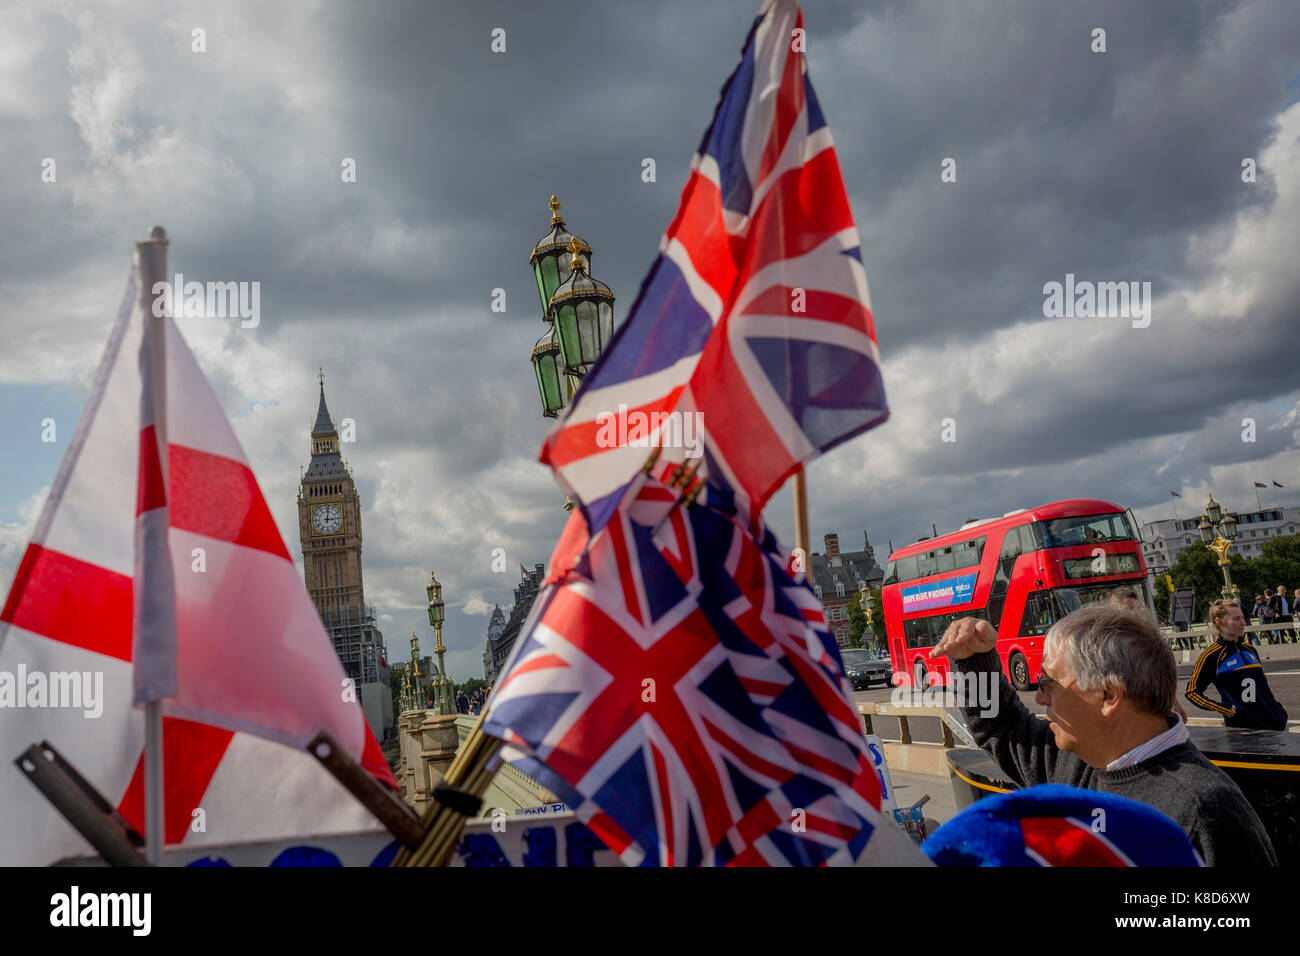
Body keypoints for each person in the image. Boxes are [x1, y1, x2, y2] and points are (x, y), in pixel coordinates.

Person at [931, 603, 1276, 866]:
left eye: (1049, 683)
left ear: (1108, 696)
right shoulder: (1078, 758)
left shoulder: (1204, 809)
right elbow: (1001, 728)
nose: (1039, 697)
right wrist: (974, 659)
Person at [1186, 599, 1289, 730]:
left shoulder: (1250, 649)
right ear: (1219, 622)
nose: (1243, 622)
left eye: (1242, 617)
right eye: (1236, 619)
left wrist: (1278, 710)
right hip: (1244, 731)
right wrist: (1222, 708)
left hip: (1274, 725)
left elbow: (1262, 686)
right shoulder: (1211, 656)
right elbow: (1191, 692)